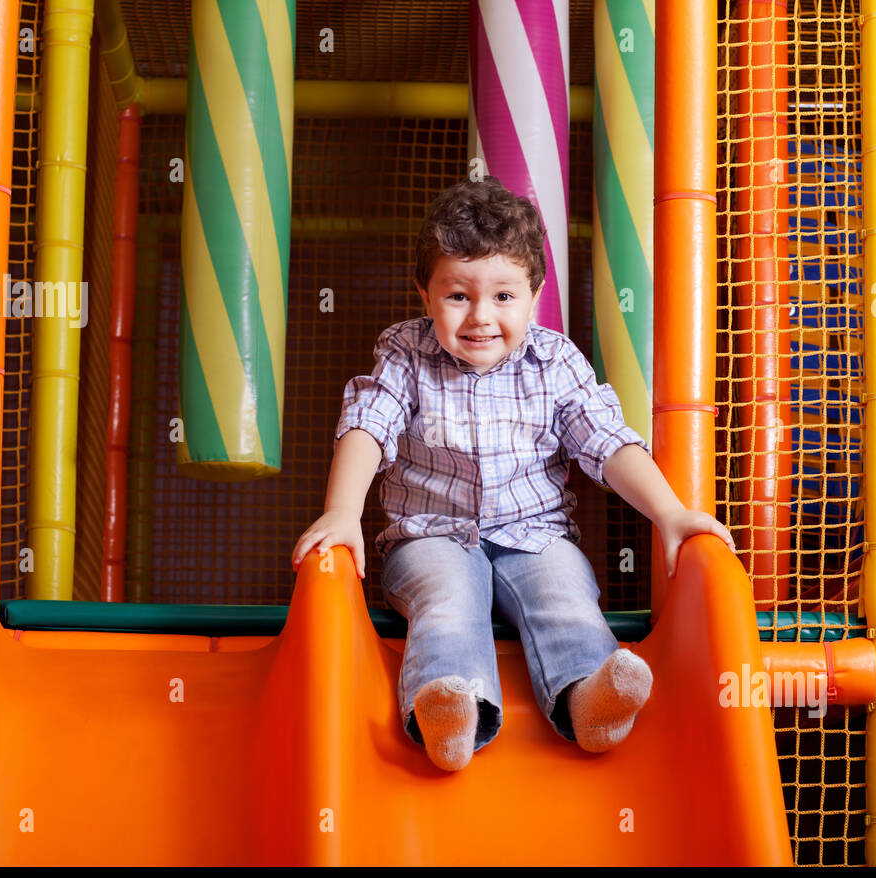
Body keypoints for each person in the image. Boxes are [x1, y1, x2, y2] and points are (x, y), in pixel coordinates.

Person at [292, 175, 735, 772]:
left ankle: (588, 700)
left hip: (537, 535)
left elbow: (607, 442)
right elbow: (369, 423)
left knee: (567, 597)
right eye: (458, 296)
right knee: (448, 599)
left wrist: (670, 512)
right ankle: (448, 706)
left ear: (535, 293)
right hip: (431, 536)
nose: (481, 317)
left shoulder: (554, 361)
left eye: (503, 296)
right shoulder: (405, 351)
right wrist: (343, 511)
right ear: (424, 292)